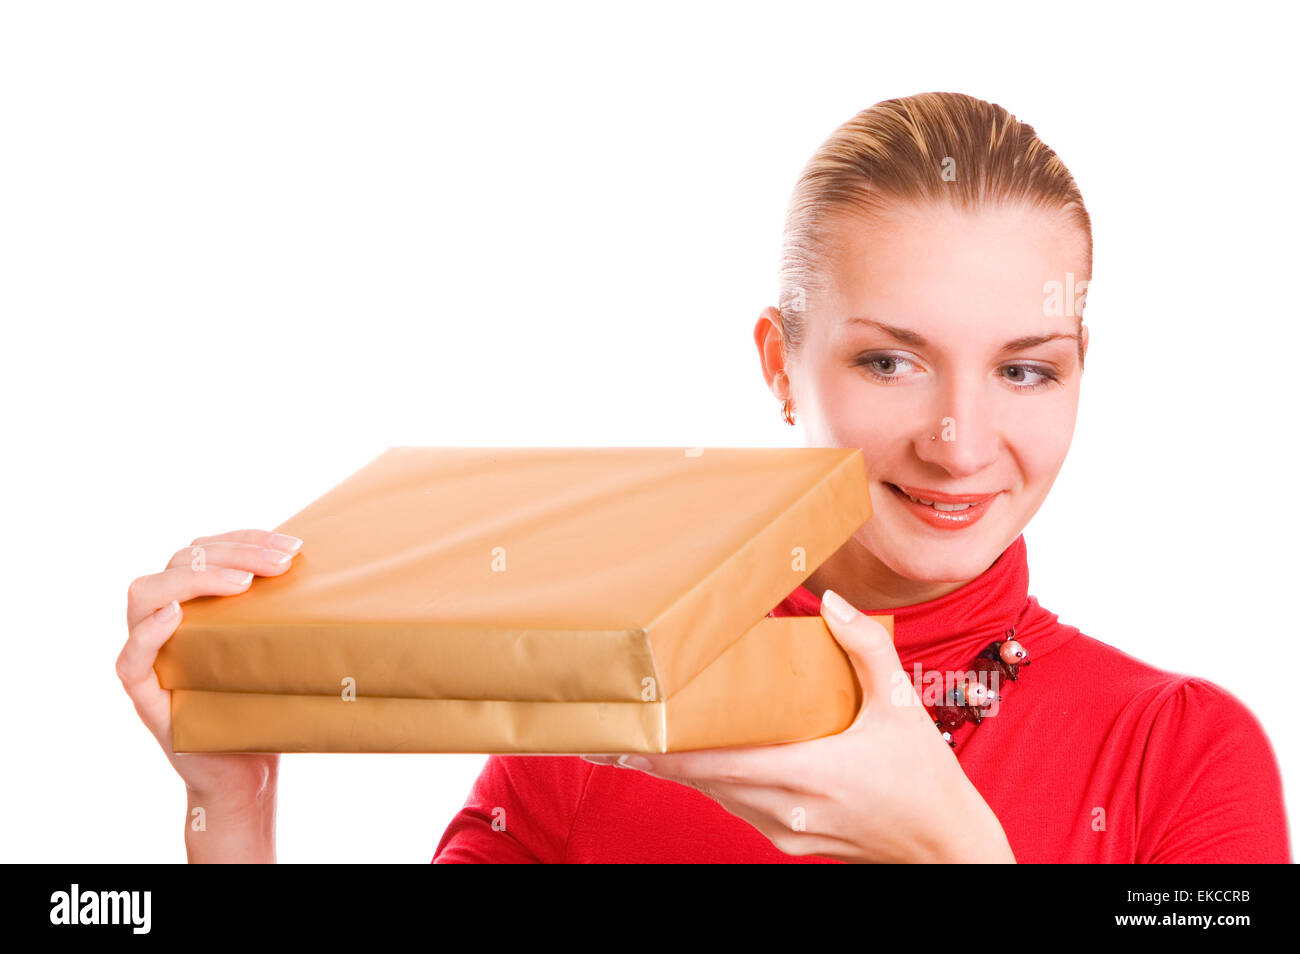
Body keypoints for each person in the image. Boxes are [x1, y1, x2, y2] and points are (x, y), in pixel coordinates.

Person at [119, 92, 1290, 864]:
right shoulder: (591, 711)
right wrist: (230, 801)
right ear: (782, 367)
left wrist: (950, 851)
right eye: (890, 360)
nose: (960, 440)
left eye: (1026, 371)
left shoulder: (1177, 756)